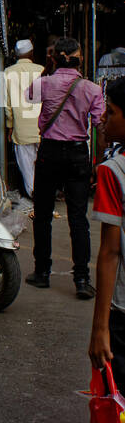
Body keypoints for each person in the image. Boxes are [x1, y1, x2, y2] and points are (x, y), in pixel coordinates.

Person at [26, 36, 105, 298]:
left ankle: (41, 272)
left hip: (49, 152)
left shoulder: (44, 84)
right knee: (78, 219)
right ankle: (82, 280)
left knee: (43, 215)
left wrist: (50, 69)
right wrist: (99, 162)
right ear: (80, 59)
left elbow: (29, 96)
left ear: (54, 58)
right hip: (77, 155)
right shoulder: (92, 89)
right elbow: (100, 126)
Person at [88, 76, 125, 393]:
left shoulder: (112, 172)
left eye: (110, 112)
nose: (102, 118)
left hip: (122, 314)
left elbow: (109, 253)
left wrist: (100, 327)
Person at [3, 38, 44, 199]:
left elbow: (7, 105)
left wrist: (10, 125)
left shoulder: (8, 72)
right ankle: (43, 194)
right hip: (41, 125)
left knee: (26, 164)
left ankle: (33, 193)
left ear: (15, 55)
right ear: (32, 53)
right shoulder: (41, 70)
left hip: (21, 126)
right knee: (42, 163)